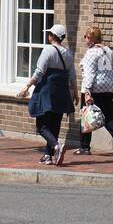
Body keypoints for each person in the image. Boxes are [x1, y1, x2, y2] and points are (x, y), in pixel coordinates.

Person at [16, 23, 76, 166]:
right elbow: (72, 75)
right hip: (62, 92)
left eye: (49, 34)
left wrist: (27, 86)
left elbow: (39, 71)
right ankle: (47, 156)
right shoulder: (68, 53)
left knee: (42, 125)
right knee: (55, 124)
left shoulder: (48, 50)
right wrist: (75, 92)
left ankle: (56, 146)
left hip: (47, 91)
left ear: (52, 37)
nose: (47, 36)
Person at [76, 26, 113, 155]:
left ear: (92, 39)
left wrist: (87, 92)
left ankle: (84, 147)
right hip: (108, 88)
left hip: (94, 89)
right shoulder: (108, 51)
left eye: (87, 37)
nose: (85, 39)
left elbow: (89, 74)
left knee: (87, 117)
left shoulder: (91, 53)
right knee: (107, 116)